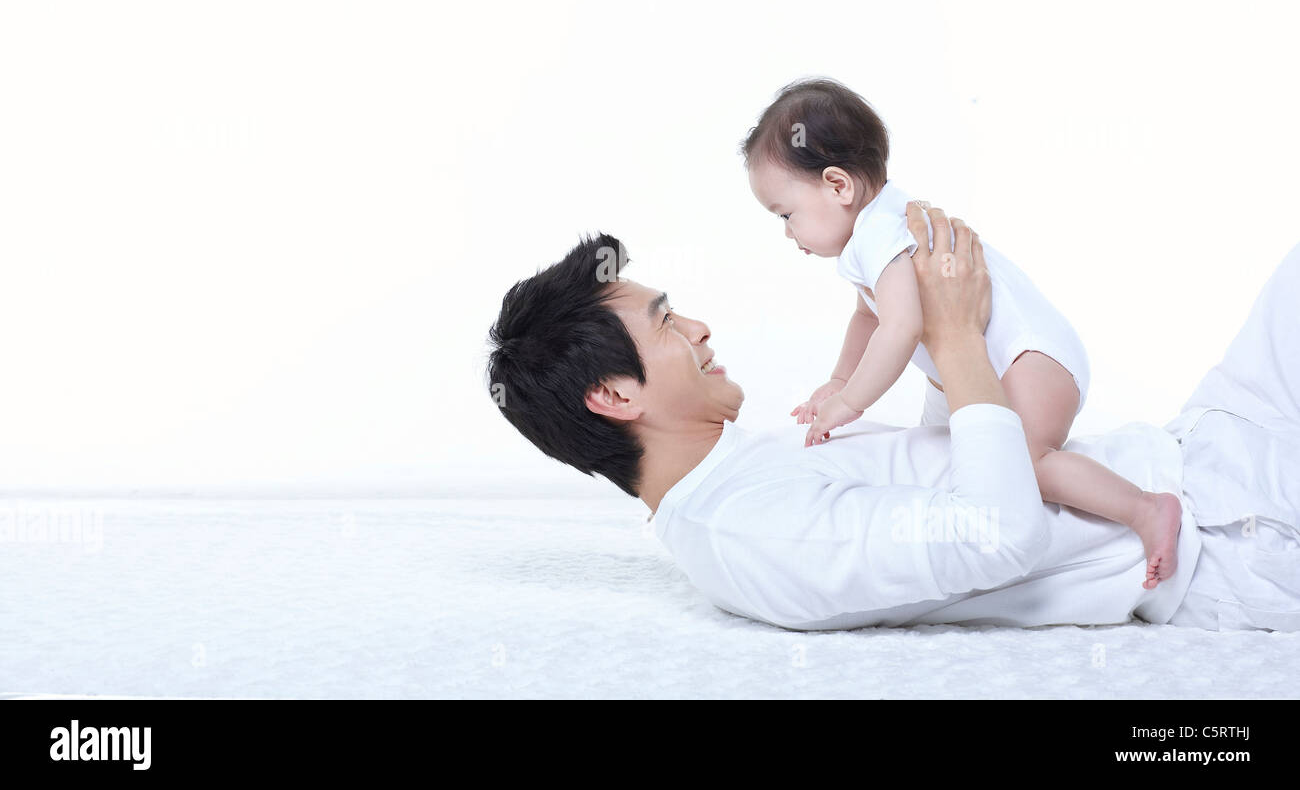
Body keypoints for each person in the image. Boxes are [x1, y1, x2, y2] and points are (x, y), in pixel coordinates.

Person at [485, 204, 1300, 632]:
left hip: (1203, 444)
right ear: (616, 397)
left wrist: (929, 327)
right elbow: (993, 532)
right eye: (666, 322)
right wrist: (950, 334)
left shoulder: (739, 475)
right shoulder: (751, 534)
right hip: (1230, 532)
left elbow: (955, 460)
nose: (697, 328)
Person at [742, 77, 1180, 588]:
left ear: (838, 185)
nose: (788, 234)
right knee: (962, 456)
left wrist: (851, 402)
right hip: (1013, 361)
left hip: (1032, 358)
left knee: (1023, 465)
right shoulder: (876, 229)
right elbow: (870, 317)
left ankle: (1147, 509)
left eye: (786, 214)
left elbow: (901, 328)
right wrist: (839, 378)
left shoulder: (880, 234)